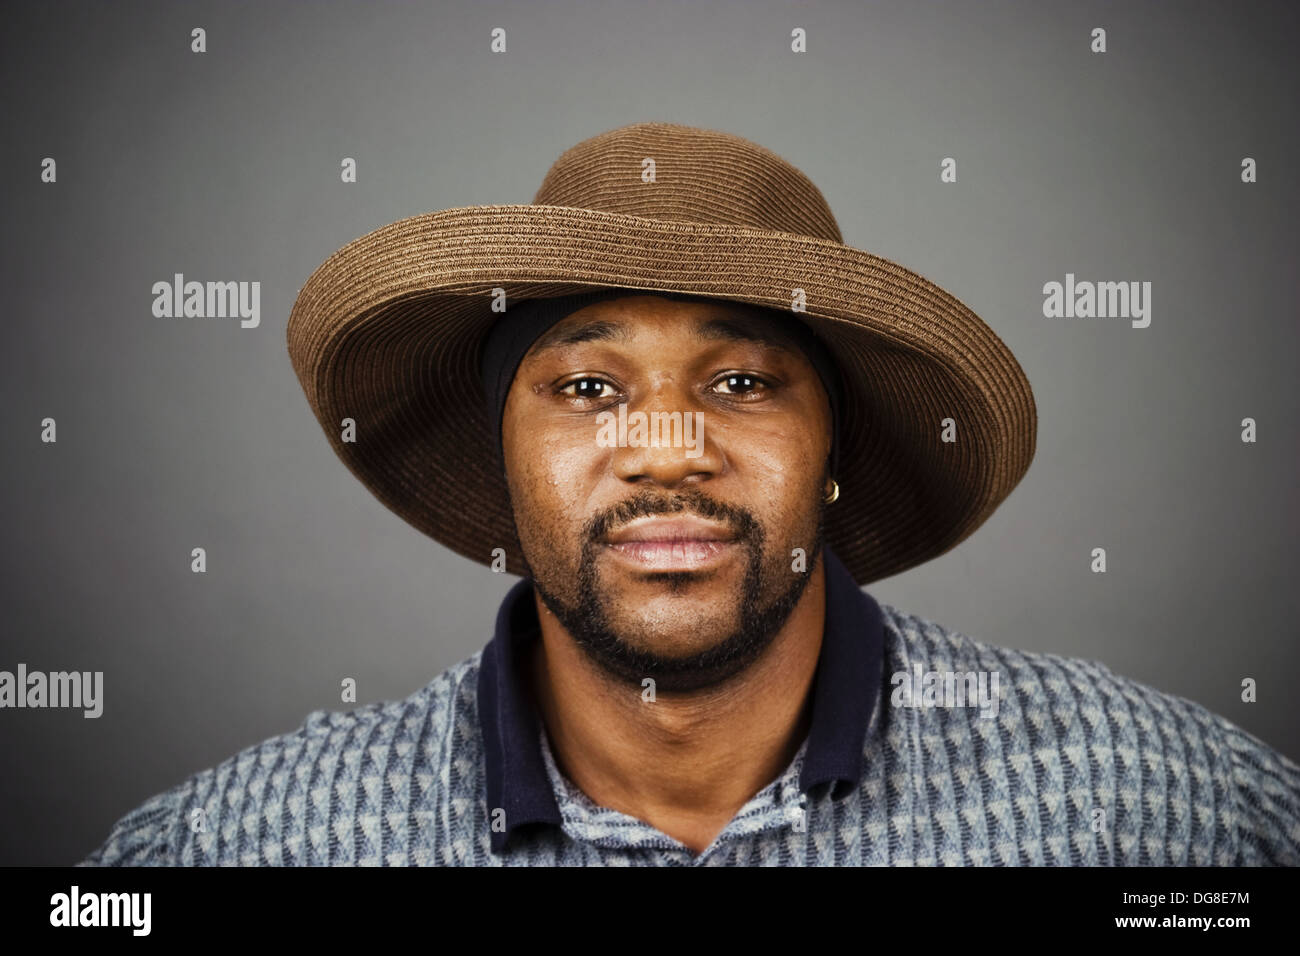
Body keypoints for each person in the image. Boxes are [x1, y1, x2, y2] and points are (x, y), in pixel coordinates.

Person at [81, 122, 1300, 866]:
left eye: (738, 379)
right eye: (586, 388)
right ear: (504, 464)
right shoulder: (245, 847)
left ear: (834, 448)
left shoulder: (1161, 812)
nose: (666, 447)